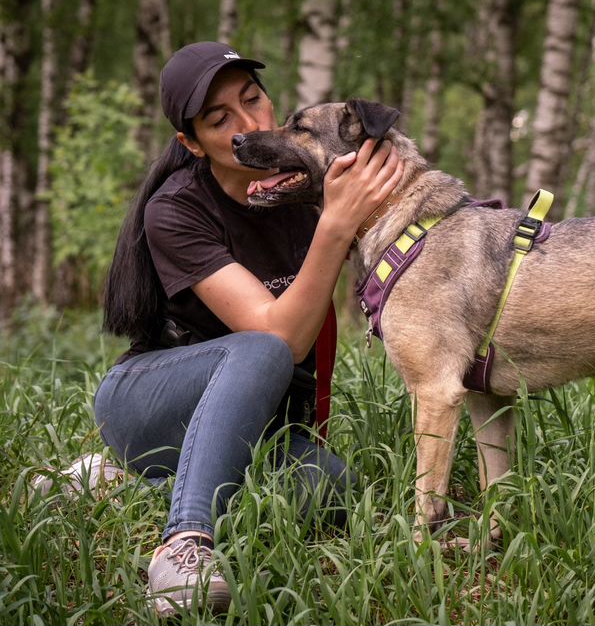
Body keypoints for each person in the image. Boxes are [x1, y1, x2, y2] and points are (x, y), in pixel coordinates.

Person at [82, 41, 403, 616]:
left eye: (253, 99)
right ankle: (184, 546)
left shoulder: (302, 189)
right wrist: (334, 225)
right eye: (218, 119)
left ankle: (118, 483)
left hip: (257, 421)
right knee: (260, 349)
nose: (250, 123)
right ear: (192, 143)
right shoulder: (178, 209)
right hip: (152, 401)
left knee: (333, 490)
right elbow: (278, 338)